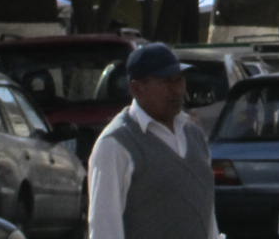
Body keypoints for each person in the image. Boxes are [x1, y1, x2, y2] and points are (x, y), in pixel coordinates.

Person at [88, 41, 220, 239]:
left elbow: (207, 217)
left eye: (179, 80)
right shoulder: (116, 143)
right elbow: (104, 226)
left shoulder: (195, 135)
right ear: (137, 88)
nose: (176, 90)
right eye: (166, 82)